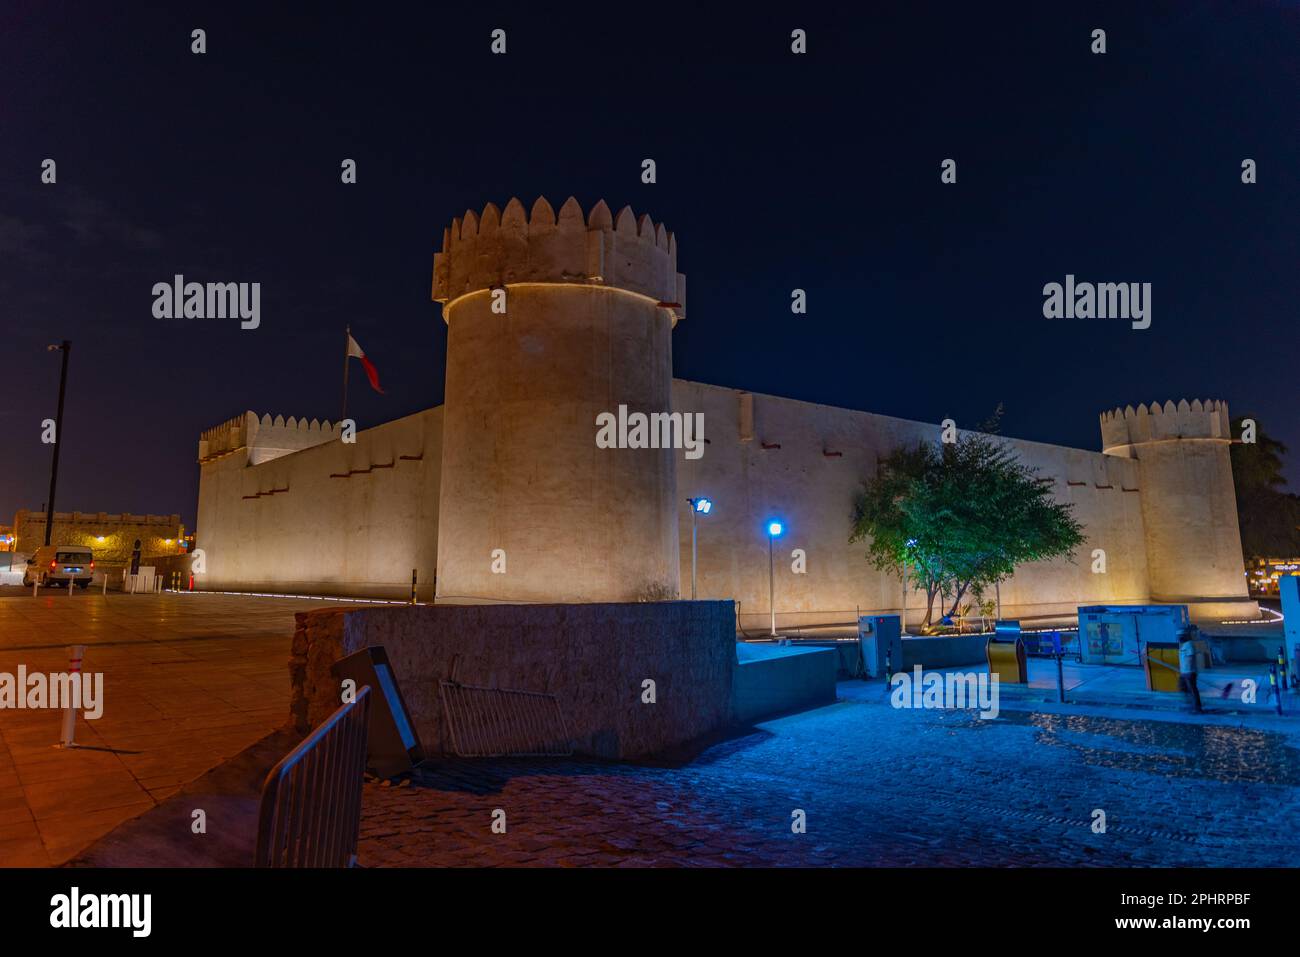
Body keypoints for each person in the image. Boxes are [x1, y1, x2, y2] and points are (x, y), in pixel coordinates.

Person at [1178, 630, 1203, 714]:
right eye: (1178, 636)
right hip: (1184, 672)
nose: (1179, 638)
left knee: (1192, 690)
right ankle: (1191, 703)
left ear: (1185, 636)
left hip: (1189, 672)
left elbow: (1190, 658)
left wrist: (1188, 671)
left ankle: (1197, 708)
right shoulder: (1183, 645)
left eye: (1181, 636)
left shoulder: (1189, 645)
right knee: (1182, 687)